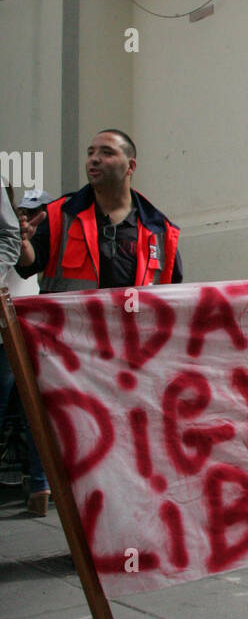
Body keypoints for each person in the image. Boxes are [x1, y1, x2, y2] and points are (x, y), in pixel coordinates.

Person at [16, 129, 183, 290]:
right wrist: (22, 244)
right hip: (70, 319)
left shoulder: (160, 229)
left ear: (130, 166)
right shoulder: (59, 214)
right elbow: (28, 265)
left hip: (133, 319)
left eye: (107, 153)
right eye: (90, 153)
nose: (94, 159)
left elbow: (173, 298)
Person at [0, 183, 52, 514]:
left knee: (24, 410)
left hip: (10, 328)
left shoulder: (15, 232)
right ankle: (40, 485)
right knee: (35, 411)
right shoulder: (16, 231)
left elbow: (24, 259)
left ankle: (40, 485)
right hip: (28, 320)